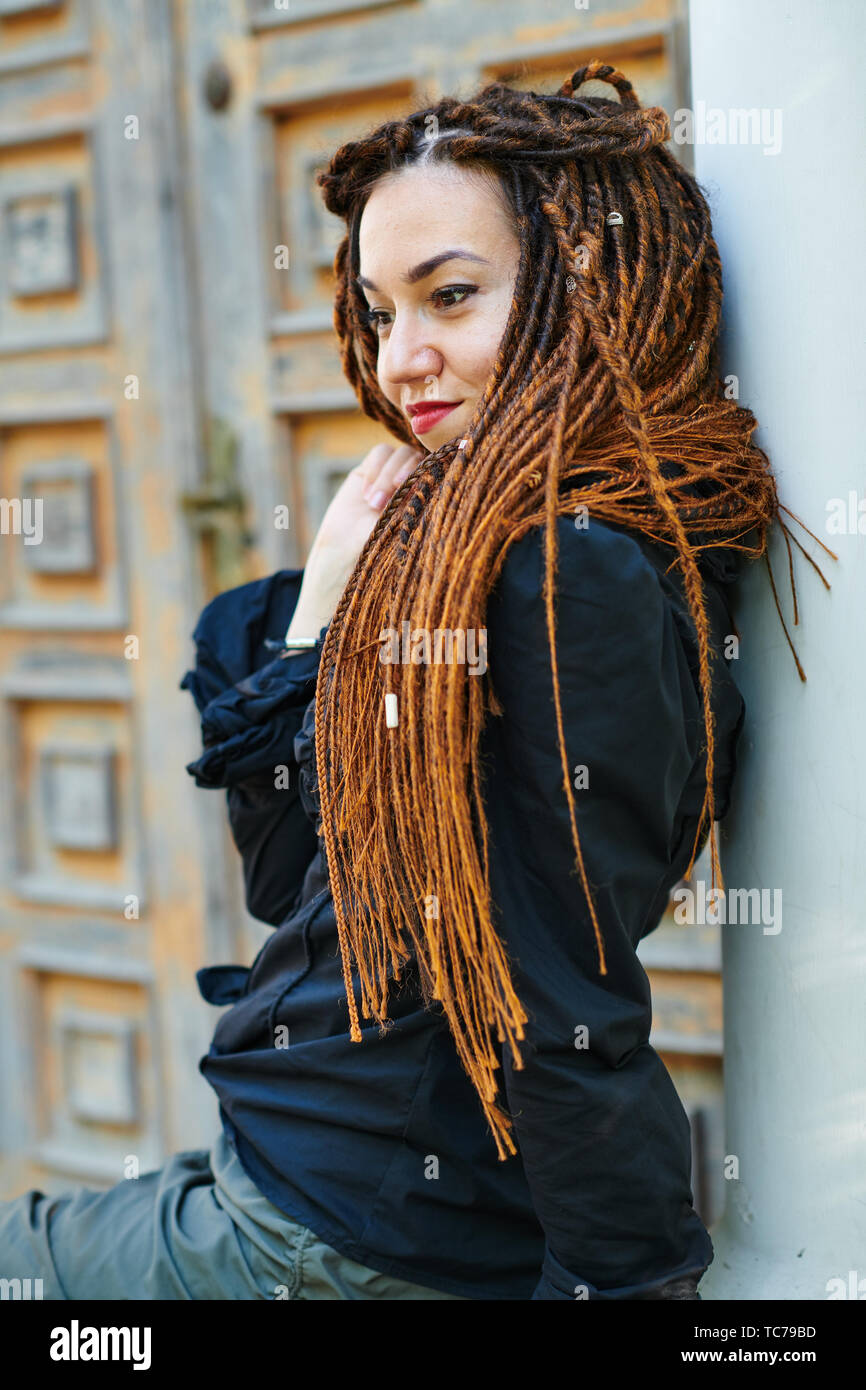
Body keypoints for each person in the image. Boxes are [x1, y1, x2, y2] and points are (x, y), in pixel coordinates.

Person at [0, 61, 819, 1300]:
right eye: (381, 313)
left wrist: (625, 1286)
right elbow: (290, 877)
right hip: (301, 1170)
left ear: (580, 286)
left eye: (450, 296)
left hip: (338, 1233)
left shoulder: (564, 570)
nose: (401, 360)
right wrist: (322, 601)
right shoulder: (464, 546)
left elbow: (563, 987)